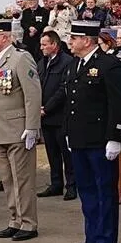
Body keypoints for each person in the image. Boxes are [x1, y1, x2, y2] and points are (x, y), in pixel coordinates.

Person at [64, 20, 121, 243]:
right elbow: (71, 104)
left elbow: (118, 103)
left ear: (87, 40)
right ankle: (91, 236)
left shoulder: (109, 65)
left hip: (101, 140)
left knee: (104, 190)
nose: (70, 41)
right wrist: (69, 133)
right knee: (87, 190)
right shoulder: (75, 65)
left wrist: (115, 137)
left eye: (74, 37)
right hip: (80, 139)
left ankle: (106, 239)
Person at [0, 18, 42, 241]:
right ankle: (15, 218)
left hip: (17, 128)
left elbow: (32, 95)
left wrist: (32, 127)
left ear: (5, 37)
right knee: (7, 178)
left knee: (22, 179)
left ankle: (28, 222)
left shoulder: (20, 58)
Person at [36, 29, 75, 200]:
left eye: (45, 44)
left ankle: (72, 186)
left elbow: (63, 89)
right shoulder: (42, 62)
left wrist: (47, 108)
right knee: (52, 153)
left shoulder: (67, 62)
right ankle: (56, 183)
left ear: (54, 45)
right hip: (45, 117)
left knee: (67, 154)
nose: (42, 48)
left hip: (60, 116)